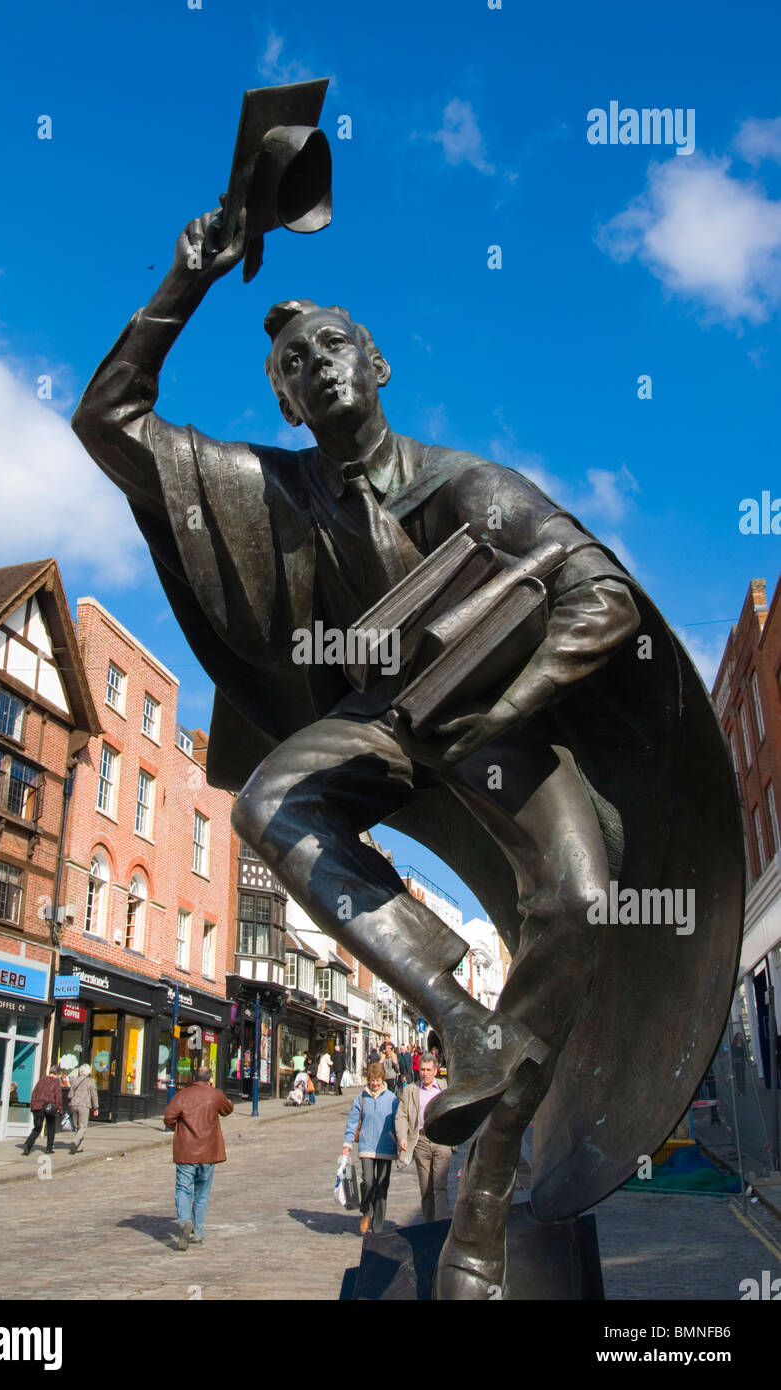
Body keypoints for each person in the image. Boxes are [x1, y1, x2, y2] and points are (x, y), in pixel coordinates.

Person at [73, 200, 742, 1299]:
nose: (318, 366)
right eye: (294, 364)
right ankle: (465, 1022)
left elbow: (603, 596)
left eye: (334, 345)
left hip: (498, 726)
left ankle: (486, 1192)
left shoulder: (469, 486)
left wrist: (508, 702)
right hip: (383, 720)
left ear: (376, 364)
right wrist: (187, 277)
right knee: (271, 801)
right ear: (284, 400)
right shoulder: (276, 491)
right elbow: (108, 422)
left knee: (580, 898)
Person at [164, 1066, 234, 1250]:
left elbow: (169, 1117)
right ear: (210, 1079)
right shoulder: (215, 1094)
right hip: (209, 1151)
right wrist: (214, 1091)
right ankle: (198, 1231)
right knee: (202, 1192)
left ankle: (185, 1221)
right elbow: (228, 1108)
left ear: (193, 1077)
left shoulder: (182, 1095)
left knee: (183, 1188)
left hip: (186, 1150)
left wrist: (179, 1129)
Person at [396, 1052, 457, 1222]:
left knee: (439, 1185)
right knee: (426, 1187)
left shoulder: (446, 1088)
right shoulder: (411, 1090)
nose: (425, 1073)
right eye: (422, 1069)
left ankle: (441, 1224)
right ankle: (429, 1224)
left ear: (435, 1071)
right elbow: (401, 1115)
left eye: (429, 1070)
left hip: (442, 1140)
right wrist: (402, 1136)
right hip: (421, 1141)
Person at [343, 1062, 399, 1234]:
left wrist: (401, 1142)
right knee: (368, 1181)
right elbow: (353, 1121)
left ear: (383, 1080)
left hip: (386, 1146)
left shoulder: (392, 1099)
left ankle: (378, 1227)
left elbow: (398, 1122)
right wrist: (347, 1143)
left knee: (382, 1186)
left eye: (378, 1080)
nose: (375, 1083)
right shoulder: (361, 1098)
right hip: (367, 1145)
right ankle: (367, 1211)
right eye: (372, 1080)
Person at [22, 1065, 63, 1155]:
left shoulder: (41, 1080)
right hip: (49, 1106)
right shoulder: (55, 1081)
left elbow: (34, 1092)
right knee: (51, 1127)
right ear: (57, 1073)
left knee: (37, 1127)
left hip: (37, 1106)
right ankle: (49, 1148)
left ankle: (28, 1144)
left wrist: (33, 1105)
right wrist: (59, 1108)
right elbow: (58, 1095)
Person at [68, 1063, 99, 1154]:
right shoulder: (91, 1081)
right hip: (84, 1105)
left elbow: (70, 1094)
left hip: (74, 1104)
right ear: (88, 1072)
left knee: (77, 1126)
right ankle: (75, 1142)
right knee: (83, 1126)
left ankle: (79, 1146)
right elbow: (94, 1094)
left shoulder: (74, 1080)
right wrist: (96, 1107)